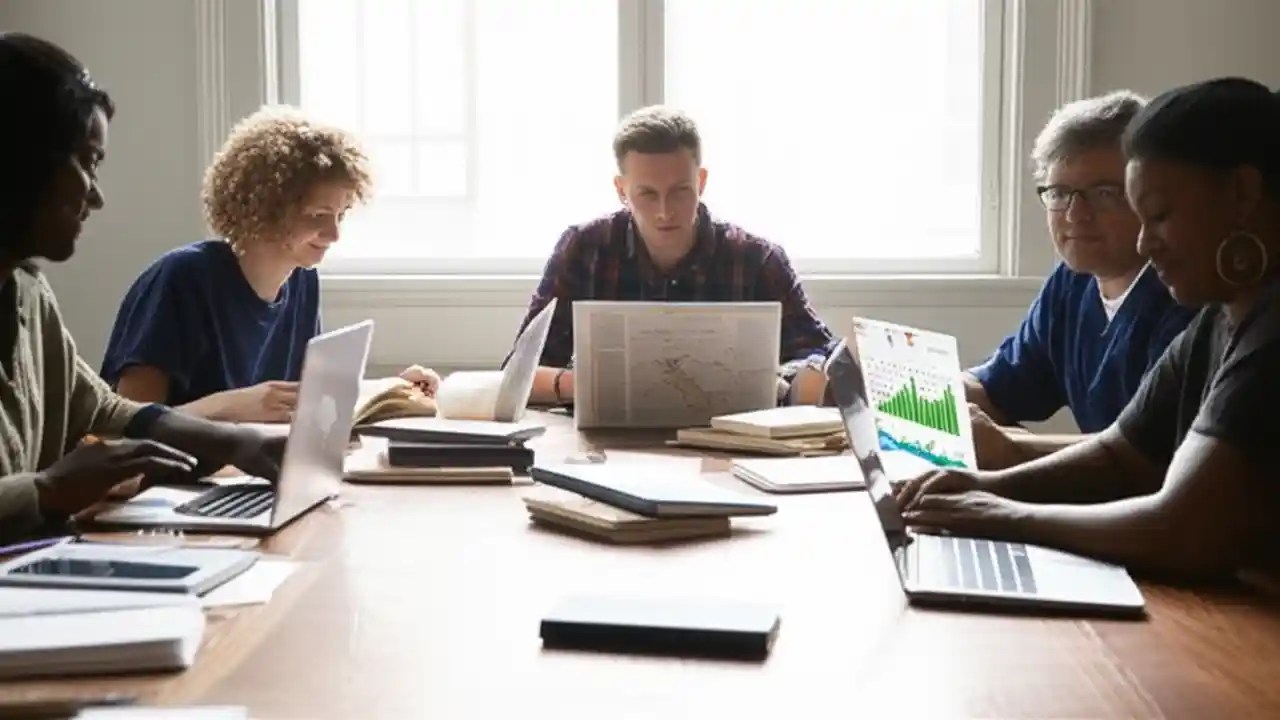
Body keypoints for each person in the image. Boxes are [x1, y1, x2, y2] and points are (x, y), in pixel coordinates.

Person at [895, 77, 1280, 580]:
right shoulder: (1219, 317)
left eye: (1160, 217)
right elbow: (1122, 453)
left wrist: (1008, 515)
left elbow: (1181, 528)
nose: (1146, 245)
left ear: (1241, 193)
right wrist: (984, 486)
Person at [0, 32, 285, 544]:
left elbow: (101, 408)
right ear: (19, 160)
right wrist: (45, 490)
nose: (97, 195)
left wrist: (235, 442)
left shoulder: (25, 292)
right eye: (87, 162)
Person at [99, 107, 439, 422]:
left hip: (243, 476)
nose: (334, 234)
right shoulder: (182, 279)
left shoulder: (303, 281)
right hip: (169, 484)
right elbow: (124, 433)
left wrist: (389, 392)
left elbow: (298, 403)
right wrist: (230, 406)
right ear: (264, 209)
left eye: (341, 215)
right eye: (318, 216)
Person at [508, 105, 836, 408]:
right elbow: (519, 371)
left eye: (680, 191)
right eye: (648, 194)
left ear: (701, 181)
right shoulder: (584, 248)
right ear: (622, 190)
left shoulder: (757, 260)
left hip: (728, 447)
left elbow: (819, 356)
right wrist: (583, 386)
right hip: (609, 446)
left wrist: (792, 382)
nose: (665, 212)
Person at [966, 91, 1196, 470]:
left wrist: (1013, 446)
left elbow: (1152, 453)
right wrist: (917, 391)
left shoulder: (1184, 296)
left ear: (1146, 193)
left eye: (1103, 194)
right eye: (1059, 193)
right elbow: (999, 389)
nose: (1075, 214)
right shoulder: (1071, 283)